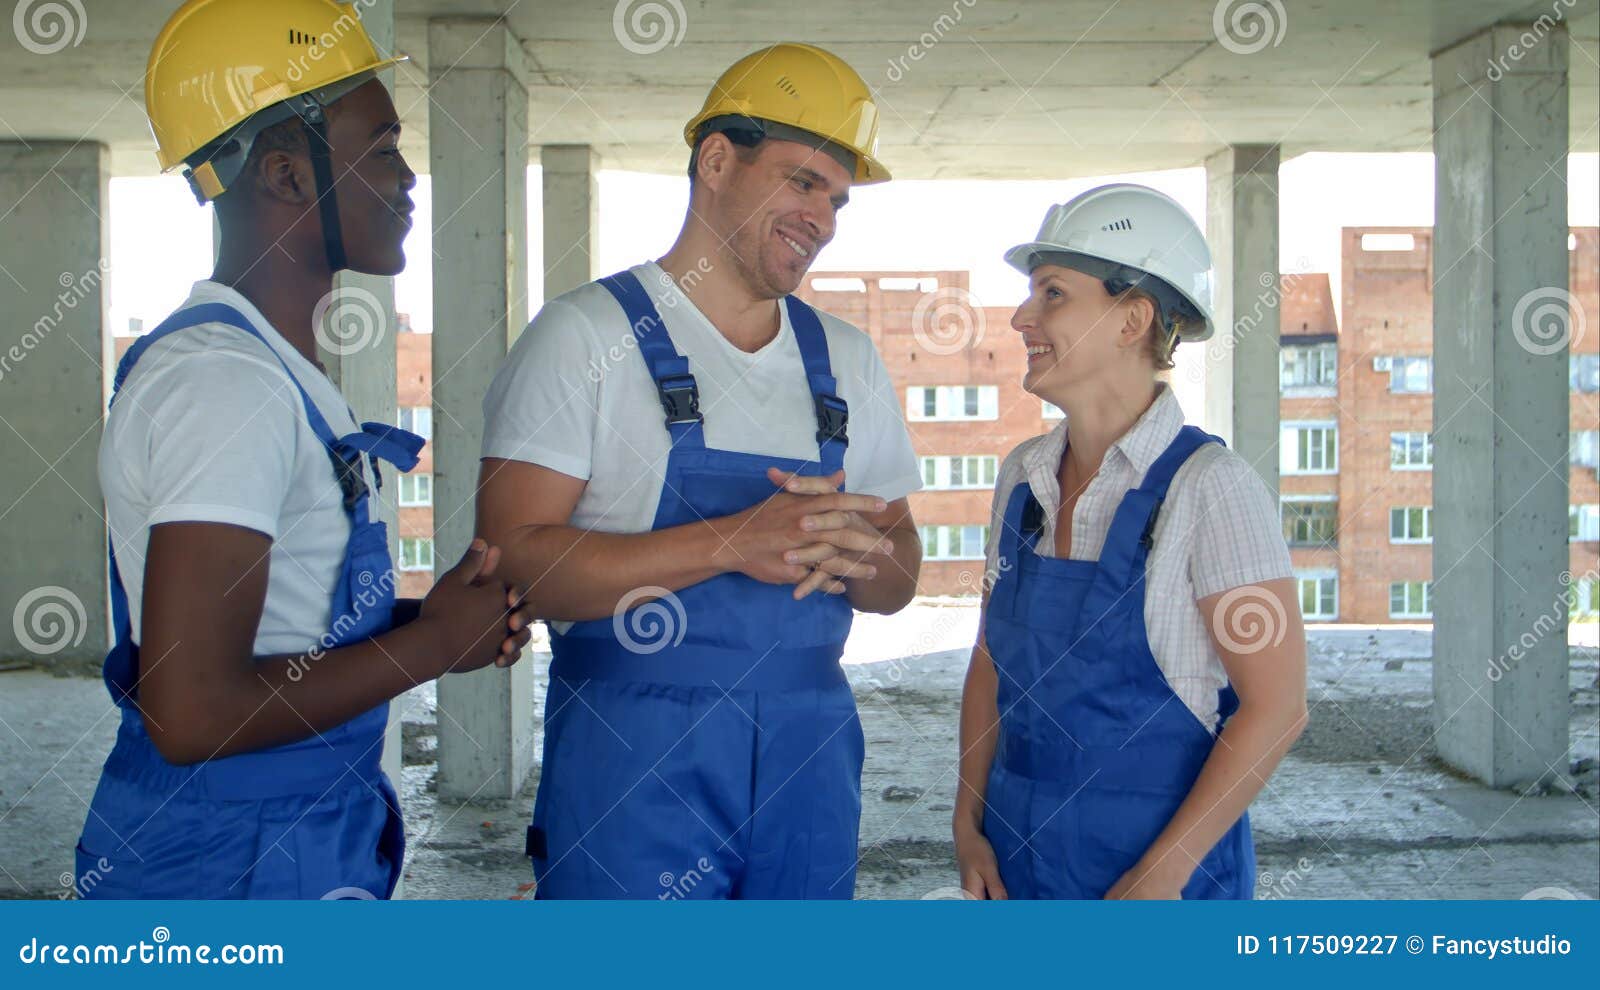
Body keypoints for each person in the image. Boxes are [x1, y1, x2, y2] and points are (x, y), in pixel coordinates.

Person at [75, 0, 534, 900]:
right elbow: (191, 710)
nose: (408, 180)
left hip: (289, 831)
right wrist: (431, 648)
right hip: (227, 857)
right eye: (383, 149)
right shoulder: (227, 387)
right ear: (286, 174)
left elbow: (277, 631)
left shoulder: (270, 372)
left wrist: (425, 626)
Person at [476, 43, 922, 899]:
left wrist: (861, 555)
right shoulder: (582, 338)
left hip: (811, 752)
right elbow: (507, 570)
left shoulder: (848, 361)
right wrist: (729, 544)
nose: (822, 218)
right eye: (802, 181)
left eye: (837, 198)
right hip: (634, 755)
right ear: (716, 160)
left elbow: (903, 572)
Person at [953, 184, 1308, 900]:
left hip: (1158, 886)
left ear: (1132, 319)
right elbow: (991, 663)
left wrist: (1161, 876)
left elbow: (1277, 708)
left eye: (1052, 294)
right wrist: (967, 824)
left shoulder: (1211, 489)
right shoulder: (1022, 478)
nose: (1023, 317)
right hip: (1018, 864)